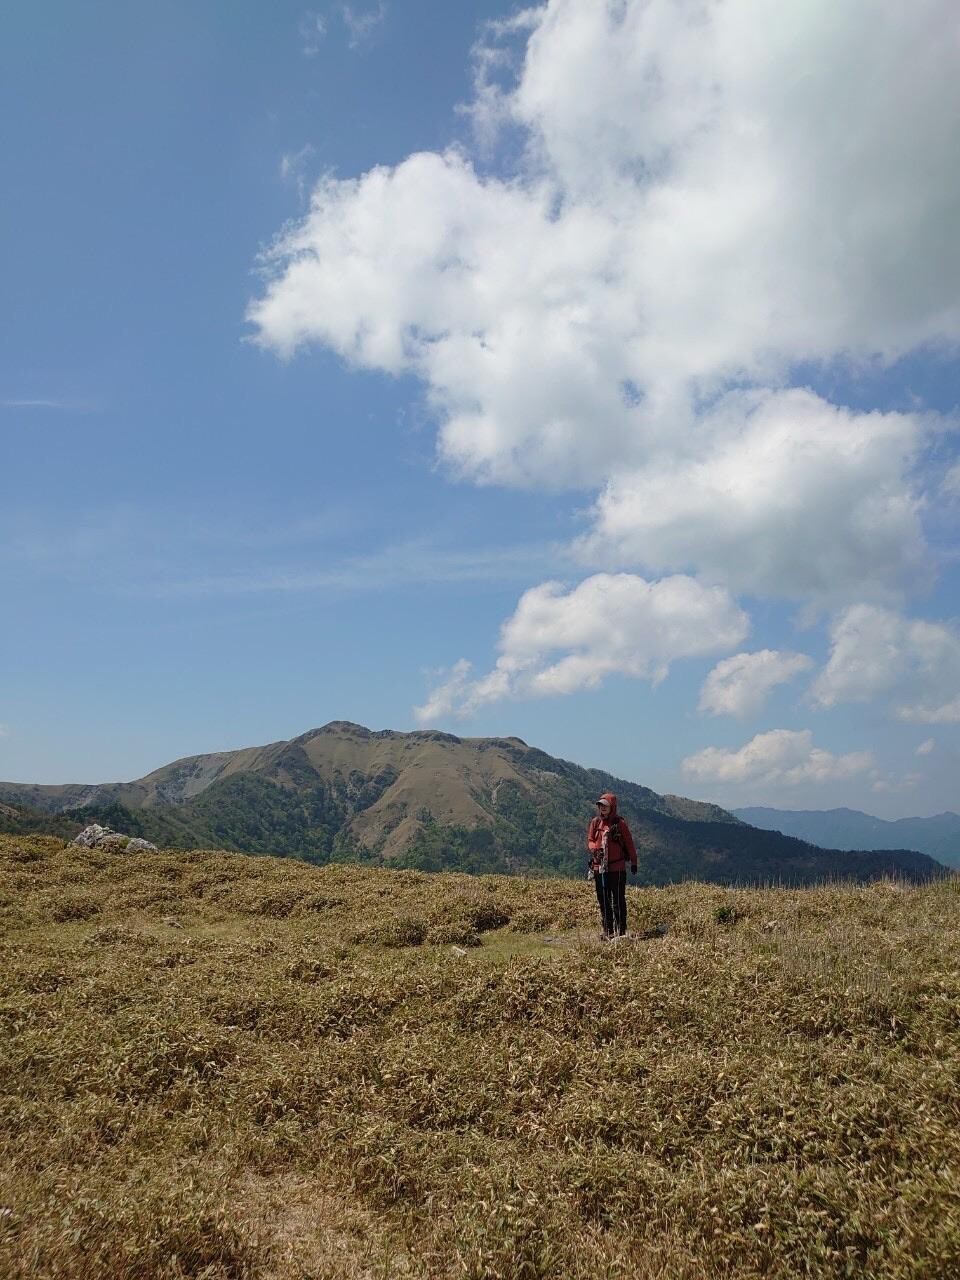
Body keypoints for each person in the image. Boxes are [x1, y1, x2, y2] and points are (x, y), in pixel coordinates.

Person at [586, 791, 637, 939]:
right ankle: (608, 930)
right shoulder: (595, 823)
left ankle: (620, 930)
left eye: (605, 806)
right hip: (599, 867)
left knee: (618, 900)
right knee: (603, 900)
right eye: (600, 805)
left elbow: (629, 843)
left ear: (612, 807)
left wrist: (634, 862)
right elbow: (590, 840)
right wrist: (594, 849)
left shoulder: (620, 824)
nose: (602, 808)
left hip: (617, 869)